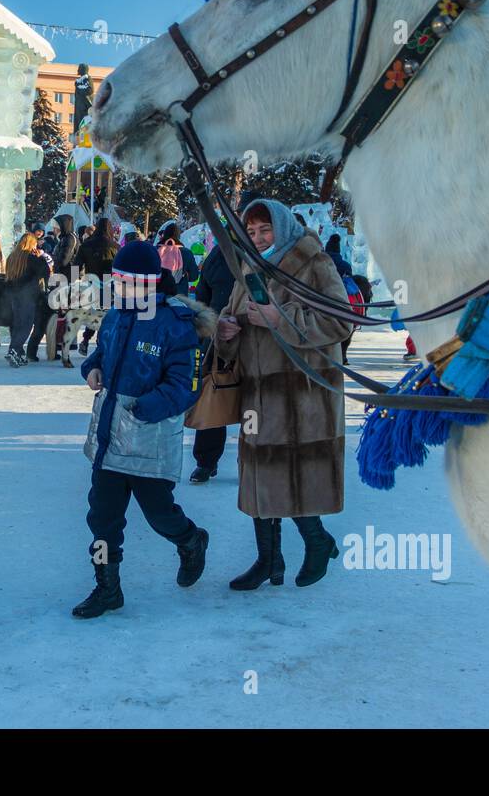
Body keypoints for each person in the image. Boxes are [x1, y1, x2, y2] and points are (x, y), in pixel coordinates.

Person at [215, 199, 352, 590]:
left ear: (283, 226)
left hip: (303, 394)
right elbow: (233, 313)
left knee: (296, 473)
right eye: (252, 232)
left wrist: (282, 319)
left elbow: (341, 320)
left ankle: (317, 541)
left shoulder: (314, 262)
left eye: (265, 230)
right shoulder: (249, 265)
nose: (257, 239)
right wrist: (225, 331)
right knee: (263, 474)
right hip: (258, 394)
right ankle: (268, 560)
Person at [73, 240, 210, 619]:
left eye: (134, 283)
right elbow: (101, 352)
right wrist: (93, 369)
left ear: (152, 283)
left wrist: (144, 407)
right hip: (109, 438)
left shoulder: (175, 324)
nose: (126, 290)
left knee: (159, 515)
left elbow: (185, 385)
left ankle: (190, 540)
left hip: (149, 440)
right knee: (101, 518)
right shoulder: (116, 315)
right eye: (120, 282)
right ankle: (107, 588)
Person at [187, 237, 237, 484]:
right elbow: (202, 297)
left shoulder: (269, 254)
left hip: (260, 341)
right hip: (217, 338)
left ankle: (251, 460)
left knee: (255, 405)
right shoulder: (219, 254)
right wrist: (205, 328)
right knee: (213, 398)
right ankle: (206, 461)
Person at [2, 232, 52, 367]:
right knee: (26, 326)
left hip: (13, 296)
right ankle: (13, 350)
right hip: (29, 295)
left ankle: (16, 353)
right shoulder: (31, 258)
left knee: (18, 325)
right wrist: (40, 257)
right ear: (31, 243)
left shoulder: (12, 257)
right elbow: (46, 272)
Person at [77, 221, 119, 357]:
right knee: (104, 315)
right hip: (108, 285)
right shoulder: (115, 246)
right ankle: (101, 343)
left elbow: (76, 265)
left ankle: (85, 339)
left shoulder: (86, 245)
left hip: (90, 283)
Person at [155, 220, 199, 297]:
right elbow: (194, 276)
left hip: (157, 294)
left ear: (164, 234)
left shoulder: (155, 251)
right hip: (179, 295)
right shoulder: (186, 252)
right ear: (178, 236)